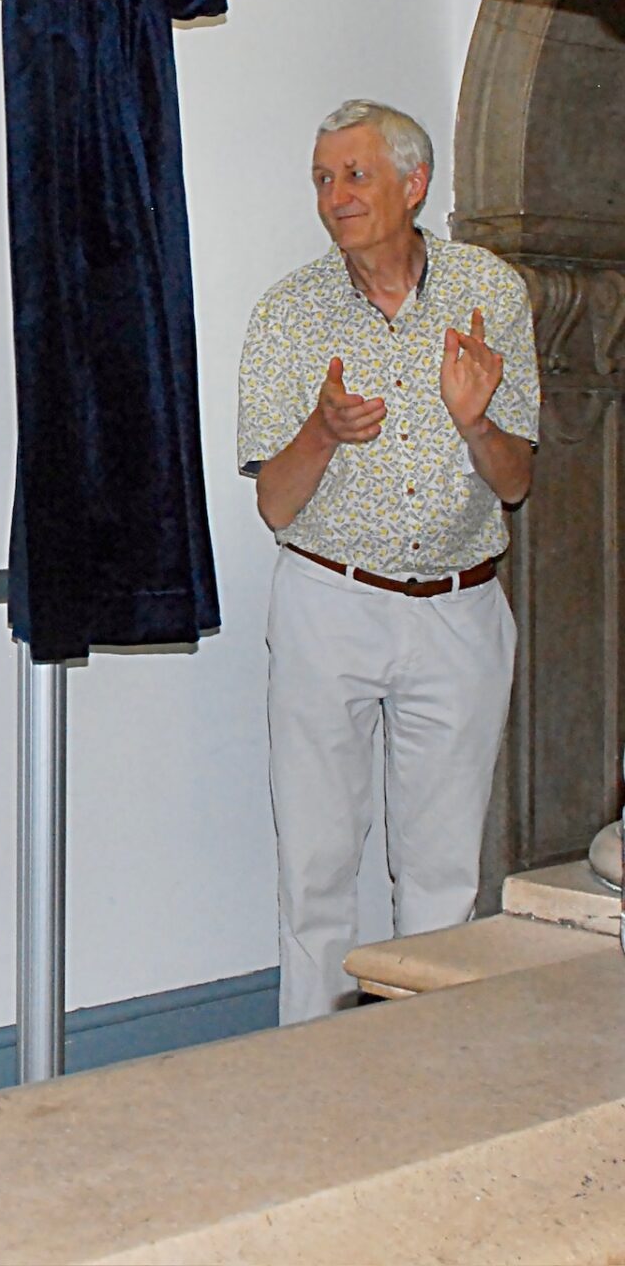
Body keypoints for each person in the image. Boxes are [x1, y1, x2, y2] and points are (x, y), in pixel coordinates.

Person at [237, 99, 539, 1025]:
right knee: (317, 869)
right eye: (323, 178)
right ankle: (309, 1075)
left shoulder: (490, 295)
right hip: (332, 604)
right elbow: (274, 503)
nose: (336, 196)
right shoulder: (288, 313)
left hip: (461, 612)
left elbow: (517, 482)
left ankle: (427, 1082)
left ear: (415, 184)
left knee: (444, 872)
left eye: (355, 175)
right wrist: (322, 433)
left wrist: (475, 416)